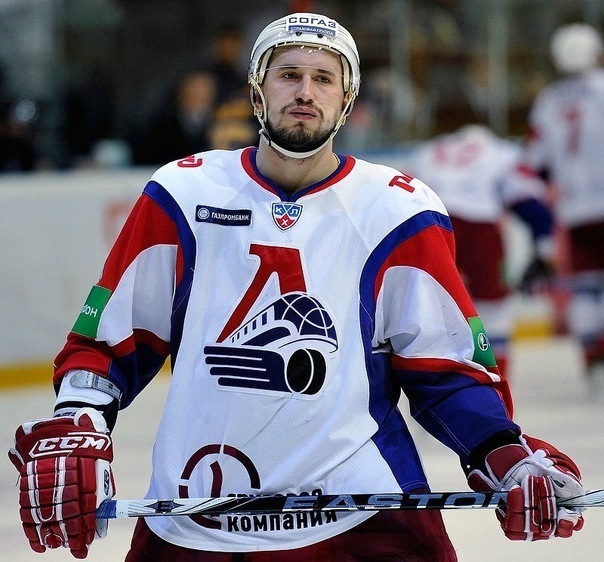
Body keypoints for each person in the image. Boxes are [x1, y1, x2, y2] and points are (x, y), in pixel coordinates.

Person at [8, 13, 586, 561]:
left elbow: (446, 367)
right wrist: (80, 416)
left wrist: (500, 450)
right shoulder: (181, 194)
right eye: (288, 75)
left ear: (347, 99)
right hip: (195, 515)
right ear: (257, 93)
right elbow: (110, 338)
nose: (305, 92)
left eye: (324, 78)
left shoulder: (398, 210)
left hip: (363, 517)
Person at [410, 124, 555, 379]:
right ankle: (494, 379)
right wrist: (544, 251)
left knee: (435, 311)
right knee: (493, 309)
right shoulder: (501, 152)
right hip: (479, 228)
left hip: (428, 226)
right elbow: (528, 203)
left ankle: (447, 380)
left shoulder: (429, 151)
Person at [522, 23, 604, 384]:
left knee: (585, 286)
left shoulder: (548, 100)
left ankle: (591, 356)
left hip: (574, 210)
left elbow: (534, 161)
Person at [134, 68, 217, 165]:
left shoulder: (219, 123)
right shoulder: (163, 125)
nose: (196, 92)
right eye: (193, 87)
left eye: (202, 88)